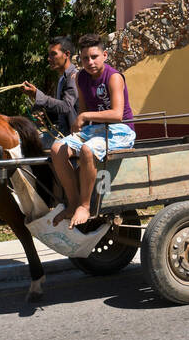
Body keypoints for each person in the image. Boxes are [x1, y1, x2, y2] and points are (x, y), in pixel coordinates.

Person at [51, 33, 135, 227]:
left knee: (88, 150)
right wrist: (78, 128)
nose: (90, 62)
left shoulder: (113, 77)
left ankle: (85, 206)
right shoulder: (81, 78)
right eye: (85, 58)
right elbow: (82, 109)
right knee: (57, 149)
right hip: (95, 130)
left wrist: (84, 117)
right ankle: (72, 203)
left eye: (94, 56)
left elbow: (117, 114)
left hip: (120, 130)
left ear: (105, 55)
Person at [21, 36, 79, 145]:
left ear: (66, 54)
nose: (49, 58)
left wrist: (38, 95)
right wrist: (45, 114)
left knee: (27, 144)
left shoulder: (73, 77)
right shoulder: (62, 78)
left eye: (53, 54)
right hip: (60, 131)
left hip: (70, 135)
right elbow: (62, 112)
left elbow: (66, 107)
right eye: (49, 55)